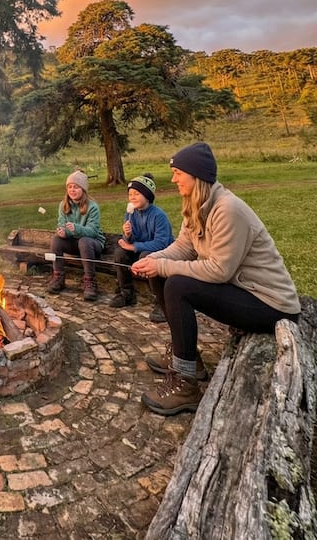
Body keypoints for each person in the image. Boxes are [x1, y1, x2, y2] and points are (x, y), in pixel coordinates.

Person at [132, 142, 301, 417]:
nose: (173, 179)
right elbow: (184, 247)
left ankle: (185, 385)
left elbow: (219, 270)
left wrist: (162, 265)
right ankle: (187, 358)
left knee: (176, 284)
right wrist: (153, 259)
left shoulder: (228, 209)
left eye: (178, 173)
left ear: (196, 175)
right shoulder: (196, 204)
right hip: (242, 290)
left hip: (272, 305)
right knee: (161, 275)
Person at [109, 173, 174, 322]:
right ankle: (126, 292)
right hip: (140, 249)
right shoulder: (131, 214)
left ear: (147, 196)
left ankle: (161, 301)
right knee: (120, 254)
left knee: (147, 257)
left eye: (136, 194)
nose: (132, 197)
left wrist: (133, 246)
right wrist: (128, 234)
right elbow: (129, 240)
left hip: (159, 252)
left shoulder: (159, 216)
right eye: (130, 194)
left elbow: (161, 243)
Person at [47, 169, 105, 301]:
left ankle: (90, 281)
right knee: (56, 240)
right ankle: (58, 277)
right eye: (70, 187)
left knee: (84, 241)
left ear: (83, 189)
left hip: (92, 244)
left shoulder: (92, 207)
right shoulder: (63, 205)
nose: (72, 190)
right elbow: (62, 224)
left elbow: (93, 232)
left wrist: (76, 228)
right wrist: (62, 232)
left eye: (76, 187)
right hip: (74, 242)